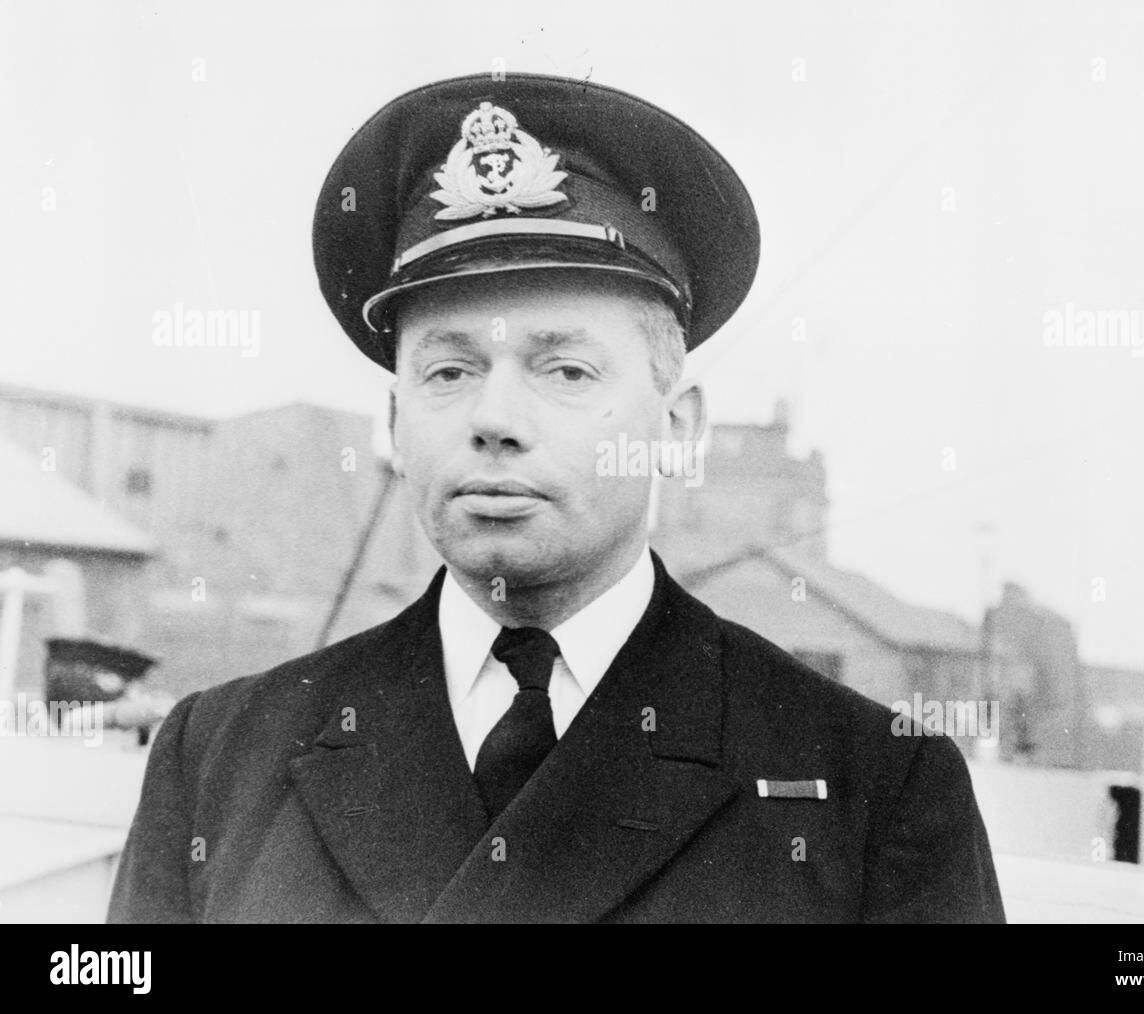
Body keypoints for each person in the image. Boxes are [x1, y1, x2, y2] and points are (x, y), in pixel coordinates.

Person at [107, 72, 1005, 923]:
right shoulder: (222, 759)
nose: (494, 419)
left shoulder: (870, 789)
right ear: (394, 420)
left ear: (678, 427)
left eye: (564, 369)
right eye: (450, 370)